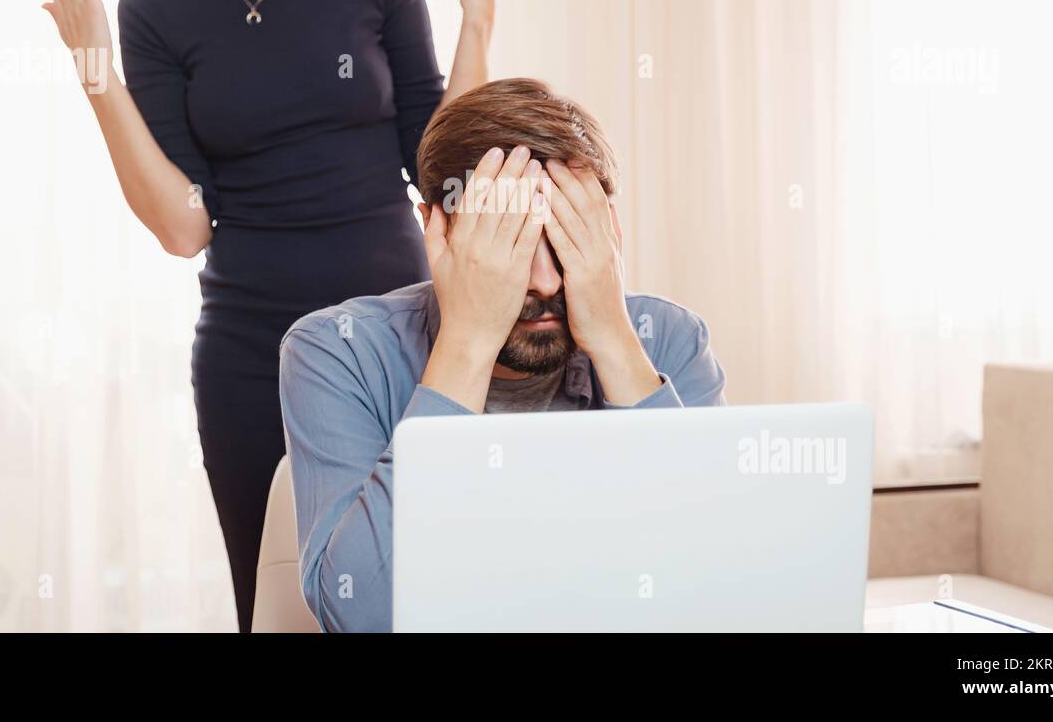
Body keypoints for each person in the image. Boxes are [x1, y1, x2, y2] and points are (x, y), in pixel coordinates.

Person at [31, 0, 525, 631]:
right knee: (280, 598)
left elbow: (443, 172)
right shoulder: (157, 7)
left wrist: (477, 19)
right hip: (250, 354)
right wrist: (94, 68)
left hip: (400, 335)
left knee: (424, 582)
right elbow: (184, 227)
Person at [279, 77, 728, 632]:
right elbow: (363, 618)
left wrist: (613, 337)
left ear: (608, 231)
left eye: (565, 238)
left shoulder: (667, 339)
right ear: (436, 229)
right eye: (507, 239)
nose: (542, 280)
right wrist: (467, 340)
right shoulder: (337, 352)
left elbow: (713, 591)